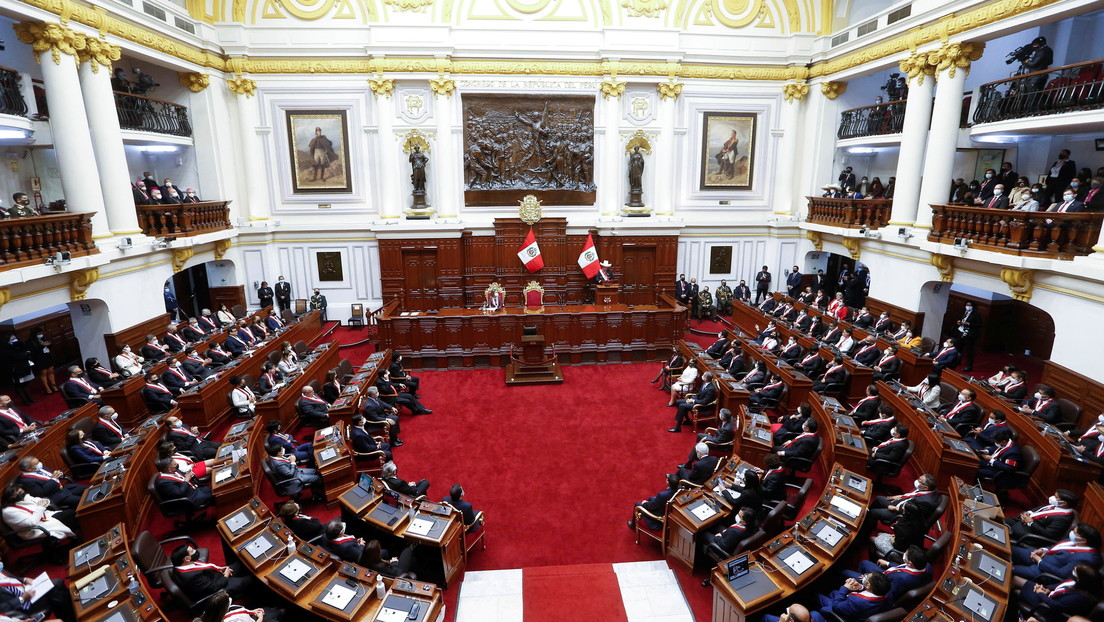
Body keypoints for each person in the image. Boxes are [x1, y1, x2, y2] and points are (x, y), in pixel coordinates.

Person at [0, 543, 76, 619]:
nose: (0, 559)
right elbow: (2, 608)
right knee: (57, 585)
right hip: (21, 607)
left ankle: (70, 615)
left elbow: (9, 578)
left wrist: (24, 579)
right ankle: (73, 617)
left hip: (26, 591)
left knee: (53, 585)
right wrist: (22, 599)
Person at [1012, 524, 1101, 582]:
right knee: (1011, 550)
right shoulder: (1076, 541)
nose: (1071, 533)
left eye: (1074, 532)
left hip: (1043, 571)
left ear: (1083, 540)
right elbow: (1056, 546)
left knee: (1009, 568)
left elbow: (1062, 573)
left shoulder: (1085, 559)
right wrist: (1043, 550)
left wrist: (1040, 562)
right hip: (1040, 556)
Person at [849, 545, 932, 602]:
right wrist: (888, 564)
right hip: (886, 575)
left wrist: (868, 581)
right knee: (864, 563)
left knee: (846, 572)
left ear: (910, 562)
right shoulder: (926, 565)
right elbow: (903, 567)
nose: (903, 555)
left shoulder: (903, 580)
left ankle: (857, 584)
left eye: (905, 555)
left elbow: (886, 592)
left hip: (878, 583)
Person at [1020, 564, 1100, 622]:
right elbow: (1060, 585)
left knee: (1017, 590)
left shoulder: (1079, 598)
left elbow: (1055, 605)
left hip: (1046, 606)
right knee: (1018, 580)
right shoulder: (1075, 582)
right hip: (1048, 595)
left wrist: (1041, 593)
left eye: (1075, 573)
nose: (1072, 572)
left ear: (1080, 580)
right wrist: (1046, 589)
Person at [1, 483, 76, 544]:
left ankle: (76, 537)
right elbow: (31, 522)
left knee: (71, 514)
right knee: (71, 515)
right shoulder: (9, 511)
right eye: (15, 494)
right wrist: (40, 507)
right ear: (9, 497)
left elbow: (44, 501)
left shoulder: (23, 499)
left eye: (21, 492)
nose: (20, 494)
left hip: (45, 518)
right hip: (34, 529)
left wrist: (42, 504)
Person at [171, 544, 251, 601]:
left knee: (242, 563)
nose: (195, 551)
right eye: (192, 551)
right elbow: (213, 588)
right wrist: (225, 576)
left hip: (214, 578)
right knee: (250, 578)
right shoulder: (191, 577)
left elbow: (201, 568)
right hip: (217, 591)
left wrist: (219, 569)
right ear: (187, 559)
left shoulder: (180, 565)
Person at [17, 456, 87, 510]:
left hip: (63, 488)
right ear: (28, 469)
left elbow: (54, 474)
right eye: (36, 464)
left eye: (38, 462)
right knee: (84, 500)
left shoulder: (40, 468)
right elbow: (42, 492)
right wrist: (53, 479)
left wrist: (59, 473)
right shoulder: (26, 481)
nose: (39, 464)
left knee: (88, 489)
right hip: (56, 496)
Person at [1006, 490, 1078, 542]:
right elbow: (1040, 508)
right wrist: (1028, 512)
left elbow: (1048, 534)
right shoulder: (1057, 506)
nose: (1052, 497)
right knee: (1004, 520)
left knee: (1003, 528)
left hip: (1031, 534)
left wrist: (1031, 523)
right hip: (1024, 523)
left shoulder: (1062, 519)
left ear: (1064, 503)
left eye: (1056, 497)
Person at [869, 473, 939, 525]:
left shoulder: (926, 502)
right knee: (878, 499)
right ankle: (870, 522)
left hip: (902, 514)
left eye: (919, 480)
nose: (917, 481)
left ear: (925, 488)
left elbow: (913, 514)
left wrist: (895, 508)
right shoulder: (928, 490)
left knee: (872, 513)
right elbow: (913, 495)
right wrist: (900, 496)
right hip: (904, 502)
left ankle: (863, 535)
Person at [25, 327, 57, 396]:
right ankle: (47, 388)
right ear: (34, 334)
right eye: (39, 334)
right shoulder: (30, 342)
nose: (41, 335)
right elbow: (32, 352)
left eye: (41, 333)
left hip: (47, 357)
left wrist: (49, 344)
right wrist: (42, 346)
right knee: (44, 374)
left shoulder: (43, 338)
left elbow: (50, 347)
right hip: (39, 359)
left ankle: (54, 386)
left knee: (51, 372)